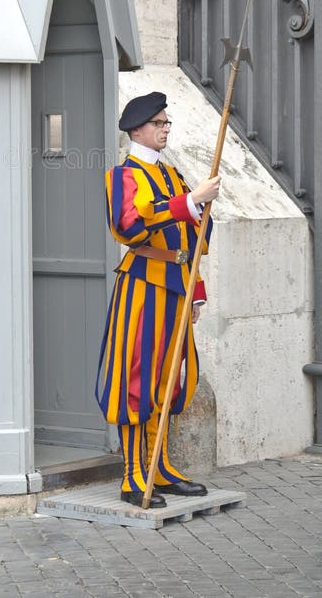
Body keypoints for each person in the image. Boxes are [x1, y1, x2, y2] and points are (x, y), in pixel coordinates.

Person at [96, 91, 220, 508]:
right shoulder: (123, 176)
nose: (165, 129)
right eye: (159, 124)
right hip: (143, 288)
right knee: (136, 378)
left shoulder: (173, 176)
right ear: (137, 130)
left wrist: (197, 292)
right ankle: (133, 476)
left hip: (177, 287)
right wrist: (188, 203)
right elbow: (129, 226)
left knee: (170, 378)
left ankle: (159, 467)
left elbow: (194, 237)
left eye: (167, 123)